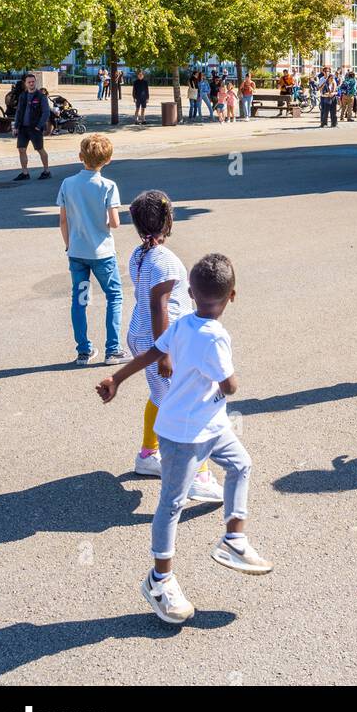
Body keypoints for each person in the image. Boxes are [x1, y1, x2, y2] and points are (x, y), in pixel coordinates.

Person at [96, 252, 272, 625]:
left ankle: (233, 540)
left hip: (211, 426)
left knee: (241, 464)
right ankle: (159, 580)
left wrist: (117, 378)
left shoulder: (182, 325)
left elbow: (151, 353)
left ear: (190, 293)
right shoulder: (216, 338)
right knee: (172, 503)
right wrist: (228, 380)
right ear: (233, 296)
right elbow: (230, 385)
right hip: (182, 433)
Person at [125, 190, 222, 502]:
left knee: (160, 396)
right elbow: (159, 308)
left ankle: (147, 455)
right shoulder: (164, 261)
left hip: (140, 334)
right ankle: (198, 475)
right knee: (188, 405)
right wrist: (165, 353)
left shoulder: (139, 254)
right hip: (162, 340)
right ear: (168, 220)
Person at [57, 133, 126, 367]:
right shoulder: (108, 186)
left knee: (80, 298)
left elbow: (63, 221)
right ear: (108, 160)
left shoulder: (67, 184)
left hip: (77, 252)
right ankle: (113, 349)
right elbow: (114, 222)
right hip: (102, 253)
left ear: (80, 157)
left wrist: (68, 244)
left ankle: (84, 350)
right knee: (114, 296)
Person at [13, 72, 51, 180]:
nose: (31, 84)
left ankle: (46, 171)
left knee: (40, 149)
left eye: (33, 82)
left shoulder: (41, 96)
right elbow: (19, 111)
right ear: (25, 83)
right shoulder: (23, 96)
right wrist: (16, 126)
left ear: (35, 82)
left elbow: (46, 113)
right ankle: (25, 173)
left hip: (35, 128)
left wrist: (39, 126)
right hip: (23, 128)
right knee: (21, 149)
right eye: (29, 82)